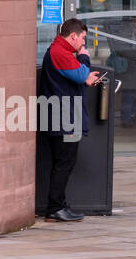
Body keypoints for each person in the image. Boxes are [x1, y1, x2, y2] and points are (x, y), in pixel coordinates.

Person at [38, 18, 103, 221]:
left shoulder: (59, 51)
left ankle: (58, 205)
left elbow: (78, 77)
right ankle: (55, 208)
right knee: (64, 162)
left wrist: (84, 75)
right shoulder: (60, 53)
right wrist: (84, 59)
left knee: (63, 162)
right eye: (82, 39)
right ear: (73, 35)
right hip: (65, 120)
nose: (83, 44)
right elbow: (81, 74)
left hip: (63, 117)